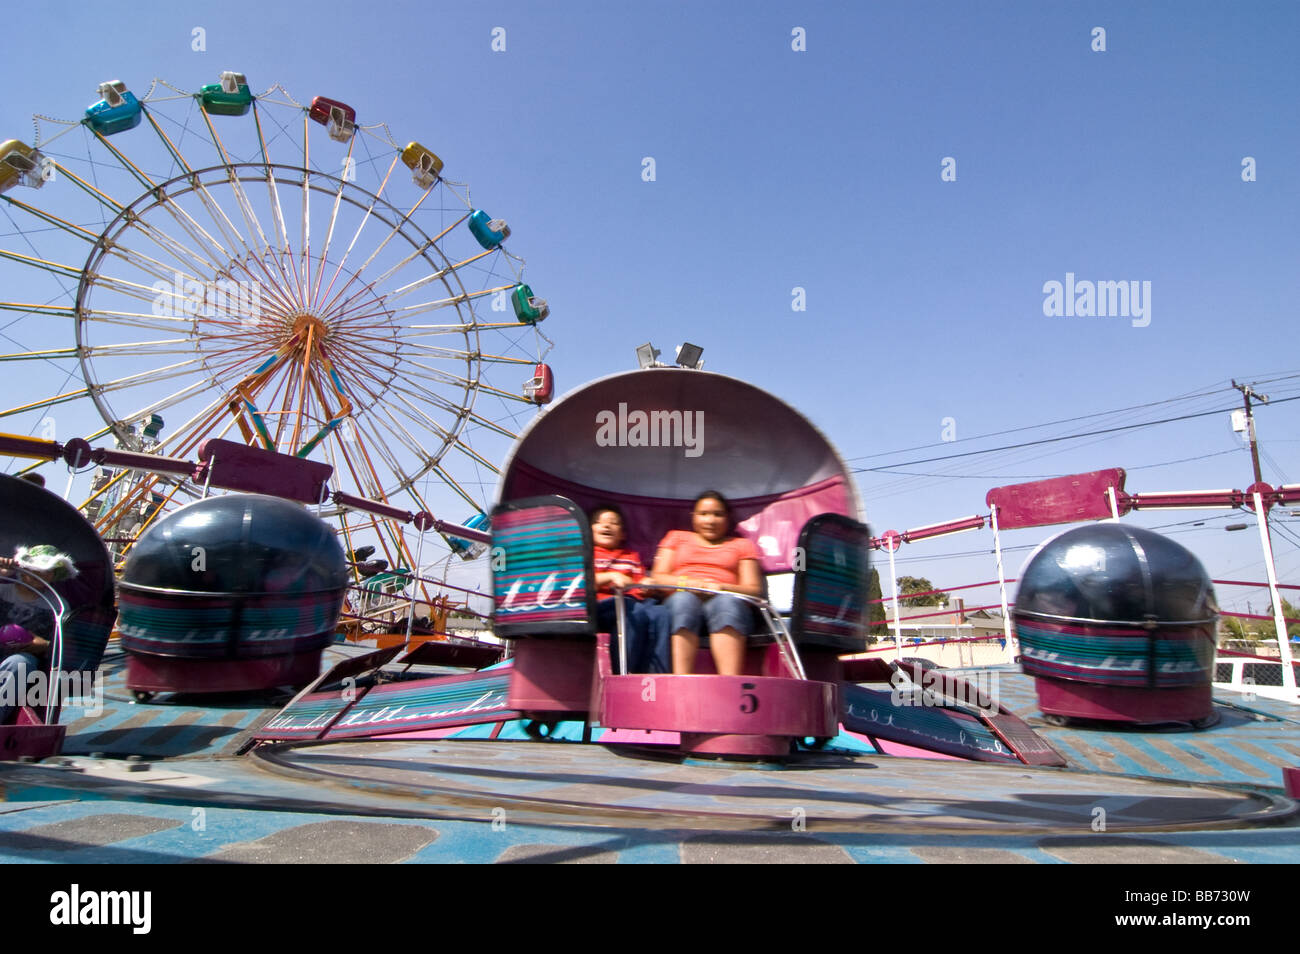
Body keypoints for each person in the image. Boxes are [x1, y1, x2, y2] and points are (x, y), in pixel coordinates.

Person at [649, 491, 762, 675]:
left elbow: (753, 590)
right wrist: (693, 584)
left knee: (726, 603)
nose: (710, 521)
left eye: (718, 514)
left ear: (727, 518)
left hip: (725, 601)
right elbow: (658, 577)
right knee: (684, 601)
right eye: (704, 514)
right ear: (693, 517)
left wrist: (721, 588)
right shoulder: (676, 537)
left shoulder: (742, 545)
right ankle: (681, 679)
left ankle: (730, 681)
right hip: (682, 598)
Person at [0, 545, 76, 723]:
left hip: (23, 658)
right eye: (36, 570)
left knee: (20, 663)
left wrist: (45, 646)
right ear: (23, 568)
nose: (42, 575)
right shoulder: (3, 591)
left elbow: (65, 646)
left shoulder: (58, 605)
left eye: (48, 571)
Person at [590, 505, 670, 673]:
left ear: (623, 534)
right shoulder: (586, 553)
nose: (606, 526)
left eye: (614, 523)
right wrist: (610, 577)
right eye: (599, 522)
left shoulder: (630, 556)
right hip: (598, 605)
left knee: (661, 613)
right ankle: (623, 674)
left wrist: (648, 584)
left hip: (633, 601)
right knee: (632, 609)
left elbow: (639, 583)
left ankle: (655, 677)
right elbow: (579, 582)